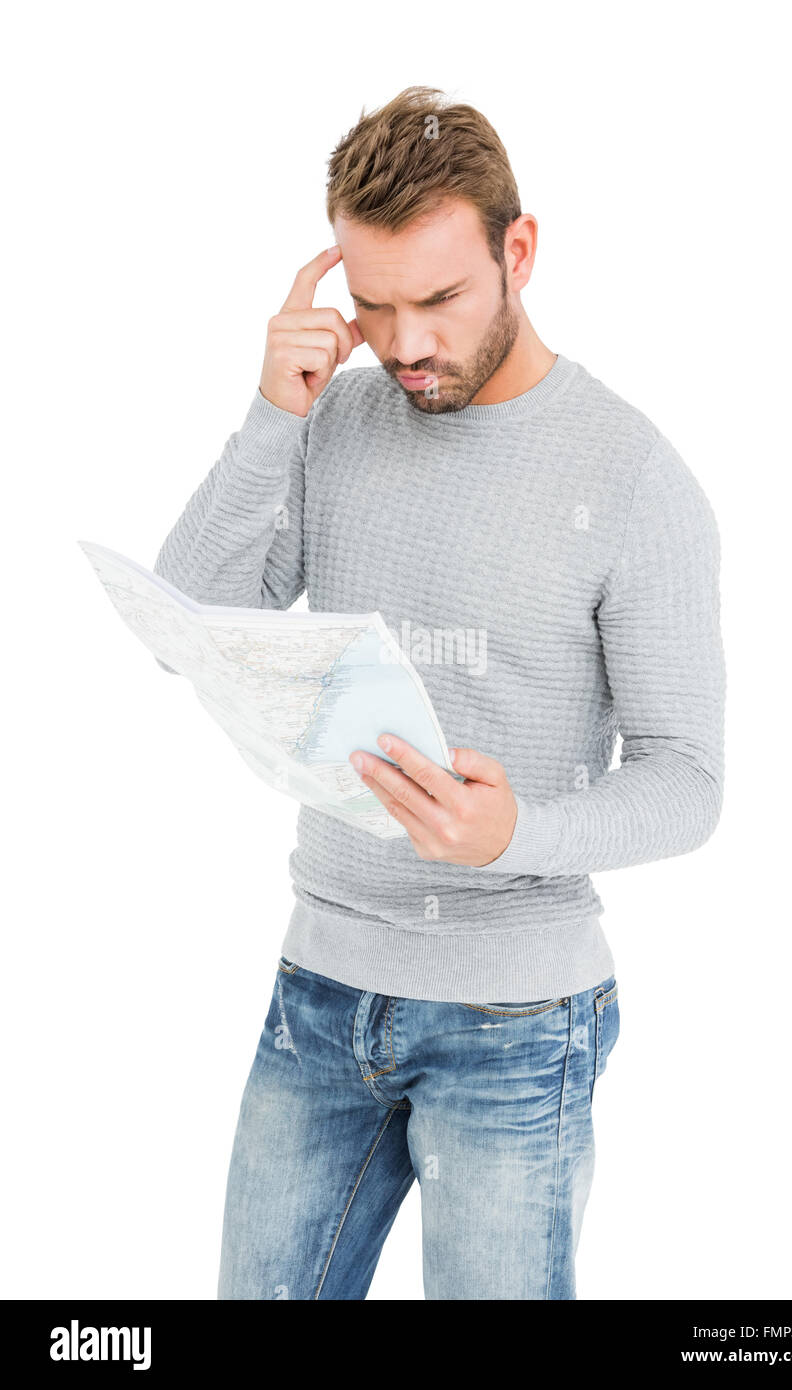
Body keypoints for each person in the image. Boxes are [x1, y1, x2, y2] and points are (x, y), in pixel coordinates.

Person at [154, 86, 725, 1300]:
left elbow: (688, 781)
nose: (404, 343)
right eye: (371, 303)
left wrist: (521, 834)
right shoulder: (336, 418)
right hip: (315, 1000)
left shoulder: (632, 474)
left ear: (519, 252)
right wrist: (271, 414)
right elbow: (190, 625)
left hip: (515, 1029)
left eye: (439, 299)